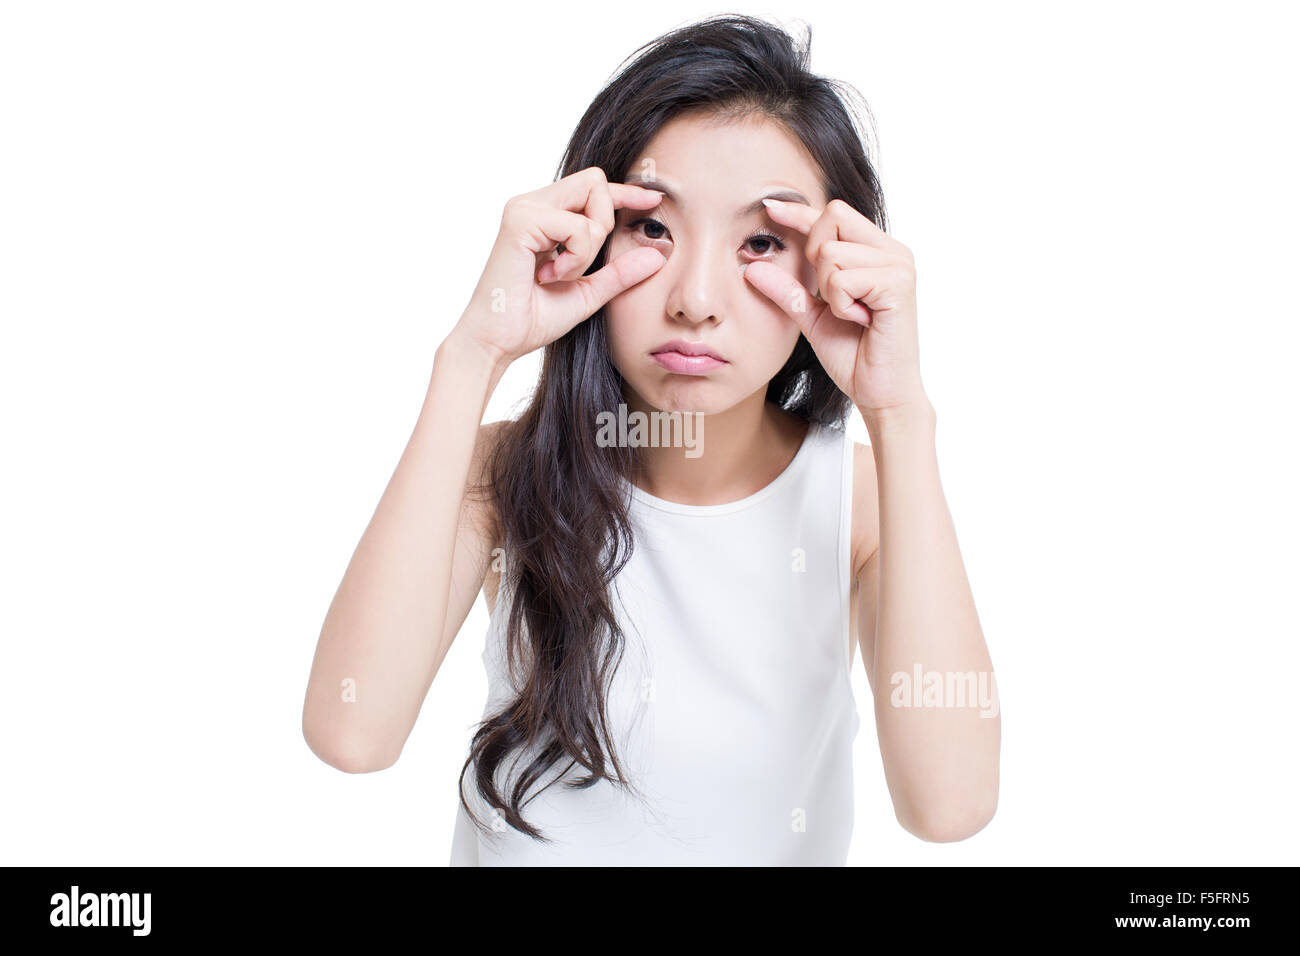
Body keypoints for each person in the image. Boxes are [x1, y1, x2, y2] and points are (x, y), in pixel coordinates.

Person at [302, 13, 1000, 866]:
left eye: (762, 241)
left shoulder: (860, 504)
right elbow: (352, 731)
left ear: (827, 262)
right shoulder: (501, 474)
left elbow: (951, 806)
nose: (695, 299)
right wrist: (473, 353)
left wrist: (901, 413)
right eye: (656, 228)